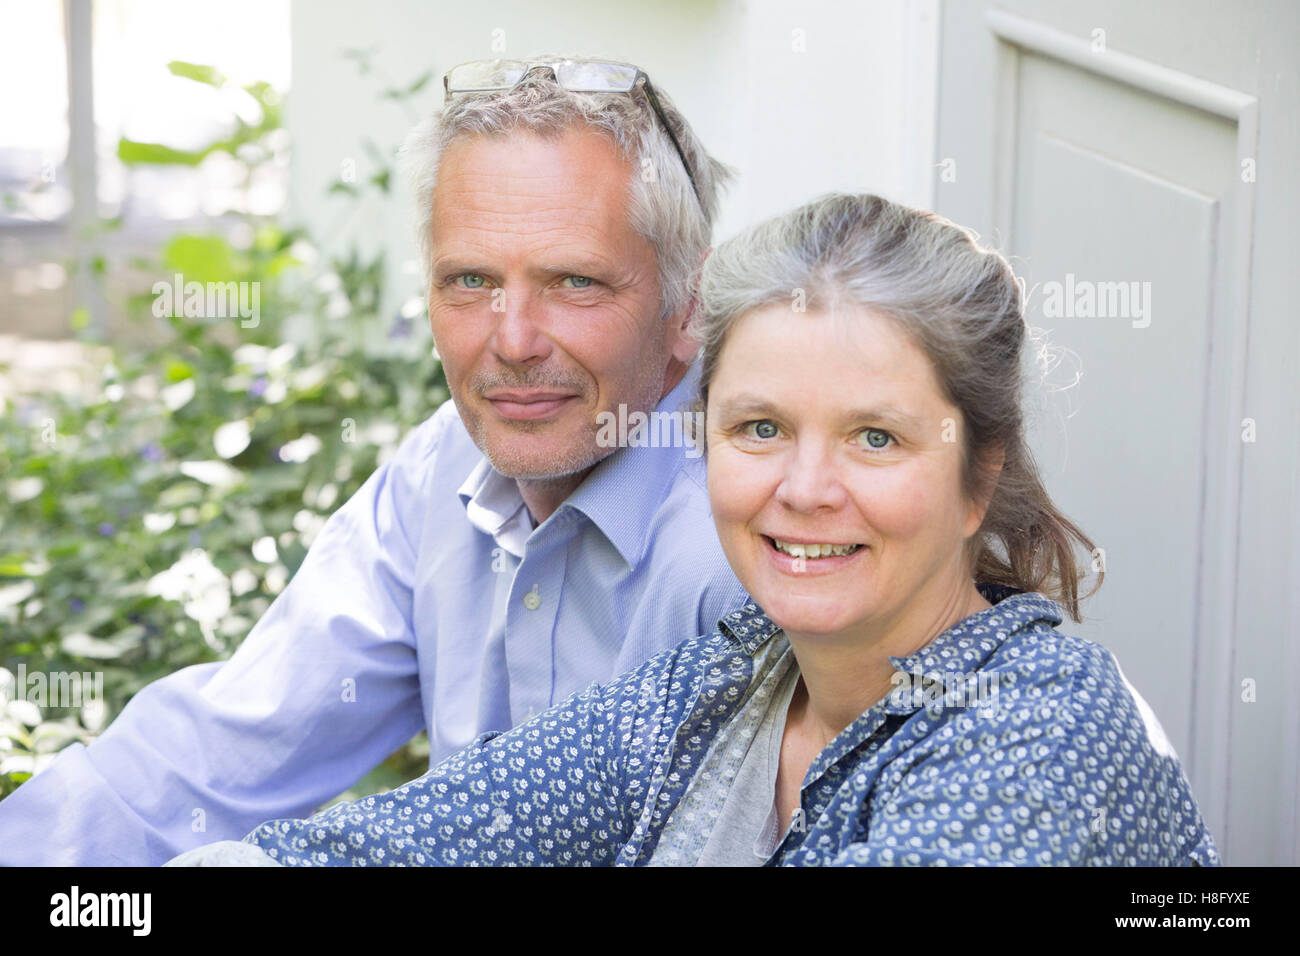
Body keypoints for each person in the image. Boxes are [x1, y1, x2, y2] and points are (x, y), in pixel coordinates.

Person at [167, 193, 1221, 867]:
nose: (805, 487)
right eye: (759, 426)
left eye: (874, 438)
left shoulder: (1039, 731)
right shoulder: (735, 677)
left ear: (977, 473)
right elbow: (432, 837)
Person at [0, 57, 750, 865]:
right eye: (470, 280)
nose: (514, 341)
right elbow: (223, 750)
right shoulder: (445, 466)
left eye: (574, 281)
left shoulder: (751, 530)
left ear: (688, 309)